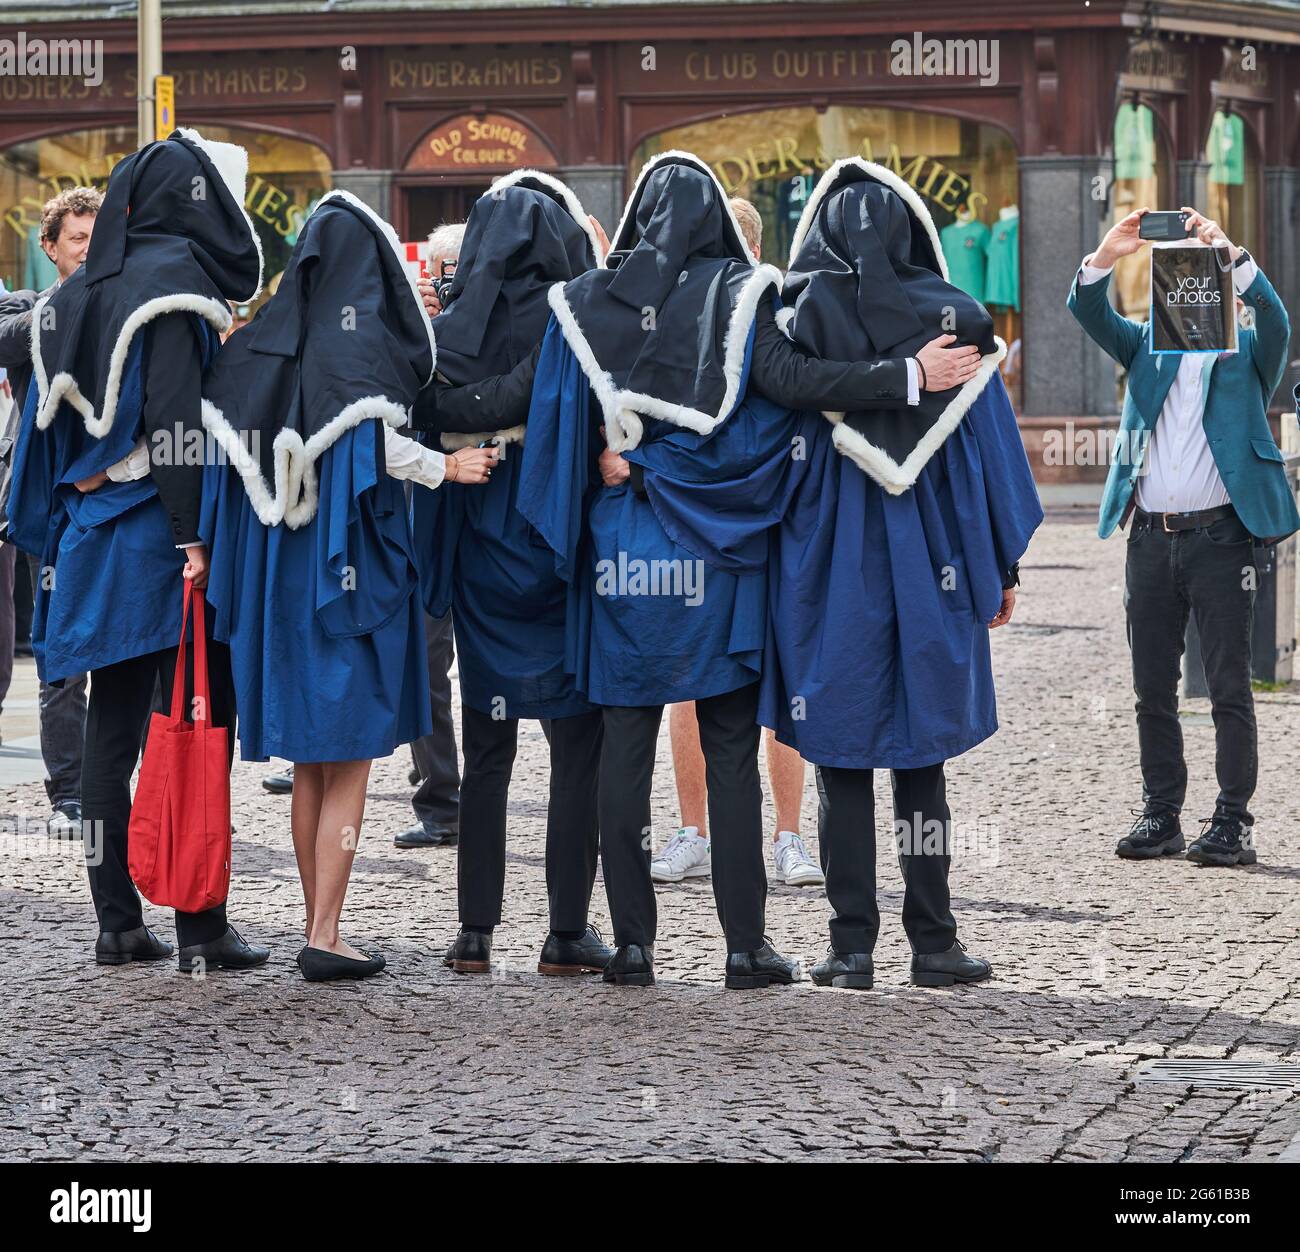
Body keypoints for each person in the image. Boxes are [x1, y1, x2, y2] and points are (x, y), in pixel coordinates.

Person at [516, 151, 983, 988]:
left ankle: (632, 946)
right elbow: (791, 396)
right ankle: (744, 948)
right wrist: (908, 375)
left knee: (624, 744)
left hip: (622, 553)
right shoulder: (746, 298)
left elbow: (554, 429)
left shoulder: (580, 307)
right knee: (730, 746)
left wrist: (604, 465)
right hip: (716, 549)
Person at [759, 157, 1043, 991]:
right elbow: (993, 463)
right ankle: (934, 940)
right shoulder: (958, 328)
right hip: (931, 566)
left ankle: (850, 948)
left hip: (829, 568)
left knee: (842, 756)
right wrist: (1002, 568)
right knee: (921, 760)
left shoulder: (794, 330)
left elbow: (770, 452)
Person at [199, 189, 496, 983]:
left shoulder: (255, 344)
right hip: (345, 577)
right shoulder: (356, 350)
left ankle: (313, 920)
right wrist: (447, 467)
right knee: (354, 760)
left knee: (306, 763)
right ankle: (327, 933)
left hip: (279, 583)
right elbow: (367, 447)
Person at [7, 132, 269, 971]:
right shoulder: (174, 285)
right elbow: (175, 421)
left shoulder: (87, 286)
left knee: (108, 739)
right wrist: (194, 535)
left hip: (91, 535)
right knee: (197, 721)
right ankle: (202, 923)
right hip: (159, 537)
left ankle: (116, 921)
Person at [410, 172, 612, 977]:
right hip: (556, 535)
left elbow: (424, 410)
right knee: (577, 744)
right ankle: (566, 932)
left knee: (489, 749)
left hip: (482, 543)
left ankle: (473, 933)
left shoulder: (449, 329)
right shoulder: (576, 319)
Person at [1069, 206, 1296, 868]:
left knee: (1229, 686)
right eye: (1181, 283)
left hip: (1223, 540)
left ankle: (1232, 822)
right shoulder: (1145, 345)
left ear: (1219, 288)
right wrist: (1108, 253)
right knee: (1151, 687)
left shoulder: (1248, 352)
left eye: (1204, 282)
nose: (1191, 293)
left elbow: (1278, 321)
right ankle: (1162, 813)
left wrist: (1233, 254)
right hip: (1150, 539)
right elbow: (1089, 314)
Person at [651, 197, 823, 890]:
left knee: (779, 684)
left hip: (766, 520)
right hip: (700, 521)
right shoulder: (678, 319)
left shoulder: (780, 316)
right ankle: (700, 830)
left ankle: (787, 835)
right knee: (690, 685)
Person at [0, 187, 102, 835]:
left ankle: (132, 790)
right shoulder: (28, 306)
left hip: (121, 509)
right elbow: (7, 338)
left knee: (133, 661)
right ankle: (67, 792)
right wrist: (76, 302)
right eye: (78, 240)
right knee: (61, 660)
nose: (90, 251)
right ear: (50, 247)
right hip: (52, 511)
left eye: (100, 238)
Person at [393, 220, 470, 850]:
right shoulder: (416, 334)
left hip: (471, 517)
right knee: (428, 660)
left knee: (438, 659)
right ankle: (440, 798)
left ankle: (443, 799)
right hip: (429, 513)